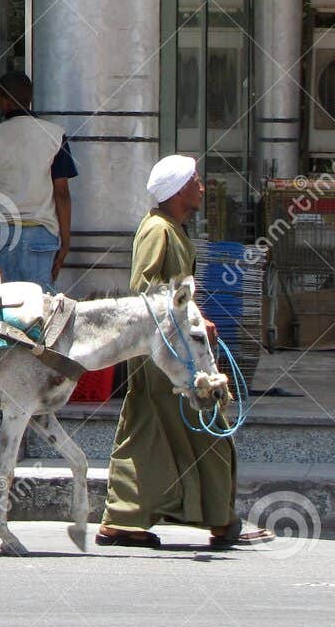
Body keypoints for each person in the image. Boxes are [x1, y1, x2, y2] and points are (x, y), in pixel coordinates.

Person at [97, 154, 273, 549]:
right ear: (178, 191)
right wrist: (193, 318)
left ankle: (125, 519)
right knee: (205, 421)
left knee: (145, 430)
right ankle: (221, 520)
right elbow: (144, 290)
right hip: (168, 356)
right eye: (195, 181)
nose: (202, 188)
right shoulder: (157, 231)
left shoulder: (170, 229)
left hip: (170, 351)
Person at [0, 71, 76, 291]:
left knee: (7, 311)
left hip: (4, 237)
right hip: (42, 234)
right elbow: (62, 194)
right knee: (41, 308)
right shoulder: (55, 135)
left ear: (4, 100)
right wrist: (66, 242)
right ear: (29, 98)